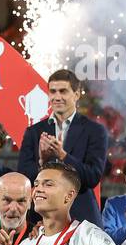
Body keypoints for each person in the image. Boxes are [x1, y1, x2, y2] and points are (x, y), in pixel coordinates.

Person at [16, 70, 109, 226]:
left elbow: (92, 177)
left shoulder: (95, 131)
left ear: (77, 94)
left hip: (81, 217)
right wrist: (42, 162)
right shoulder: (34, 131)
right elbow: (24, 177)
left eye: (63, 91)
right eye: (53, 91)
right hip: (40, 220)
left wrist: (63, 155)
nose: (57, 97)